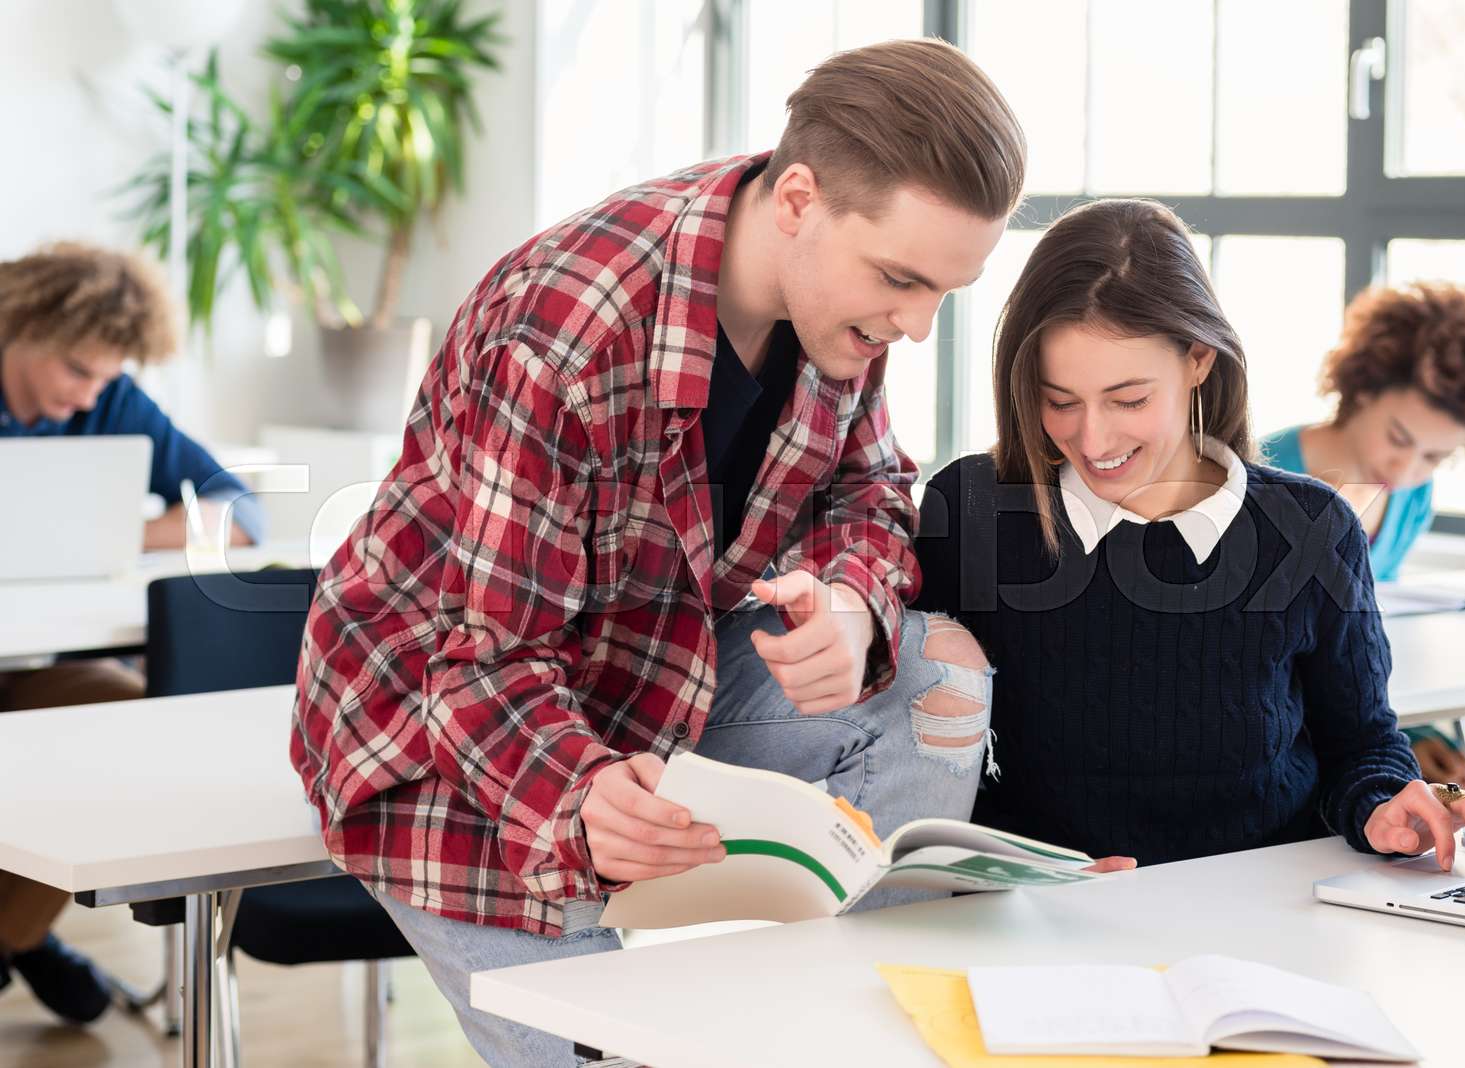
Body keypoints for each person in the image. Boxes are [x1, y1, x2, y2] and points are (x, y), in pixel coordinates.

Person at [291, 40, 1022, 1065]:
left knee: (935, 675)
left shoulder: (836, 300)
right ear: (798, 200)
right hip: (457, 736)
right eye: (902, 280)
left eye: (946, 290)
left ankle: (853, 1031)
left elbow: (867, 489)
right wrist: (579, 792)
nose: (916, 324)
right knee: (610, 1053)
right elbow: (484, 662)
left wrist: (852, 605)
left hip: (653, 682)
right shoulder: (563, 335)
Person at [913, 198, 1465, 877]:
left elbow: (1363, 746)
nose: (1093, 438)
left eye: (1129, 399)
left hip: (1260, 908)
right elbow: (917, 746)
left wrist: (1385, 806)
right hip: (1037, 915)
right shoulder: (973, 508)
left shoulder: (1312, 528)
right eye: (1060, 400)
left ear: (1199, 359)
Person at [0, 241, 262, 1023]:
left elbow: (239, 512)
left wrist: (113, 532)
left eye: (104, 378)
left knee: (126, 715)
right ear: (23, 328)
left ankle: (12, 933)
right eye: (77, 370)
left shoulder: (111, 403)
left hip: (31, 664)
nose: (88, 395)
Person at [1259, 283, 1465, 790]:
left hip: (1367, 729)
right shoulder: (1263, 478)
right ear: (1364, 390)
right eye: (1398, 438)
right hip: (1290, 741)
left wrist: (1417, 734)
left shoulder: (1412, 500)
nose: (1405, 468)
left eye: (1433, 457)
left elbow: (1363, 654)